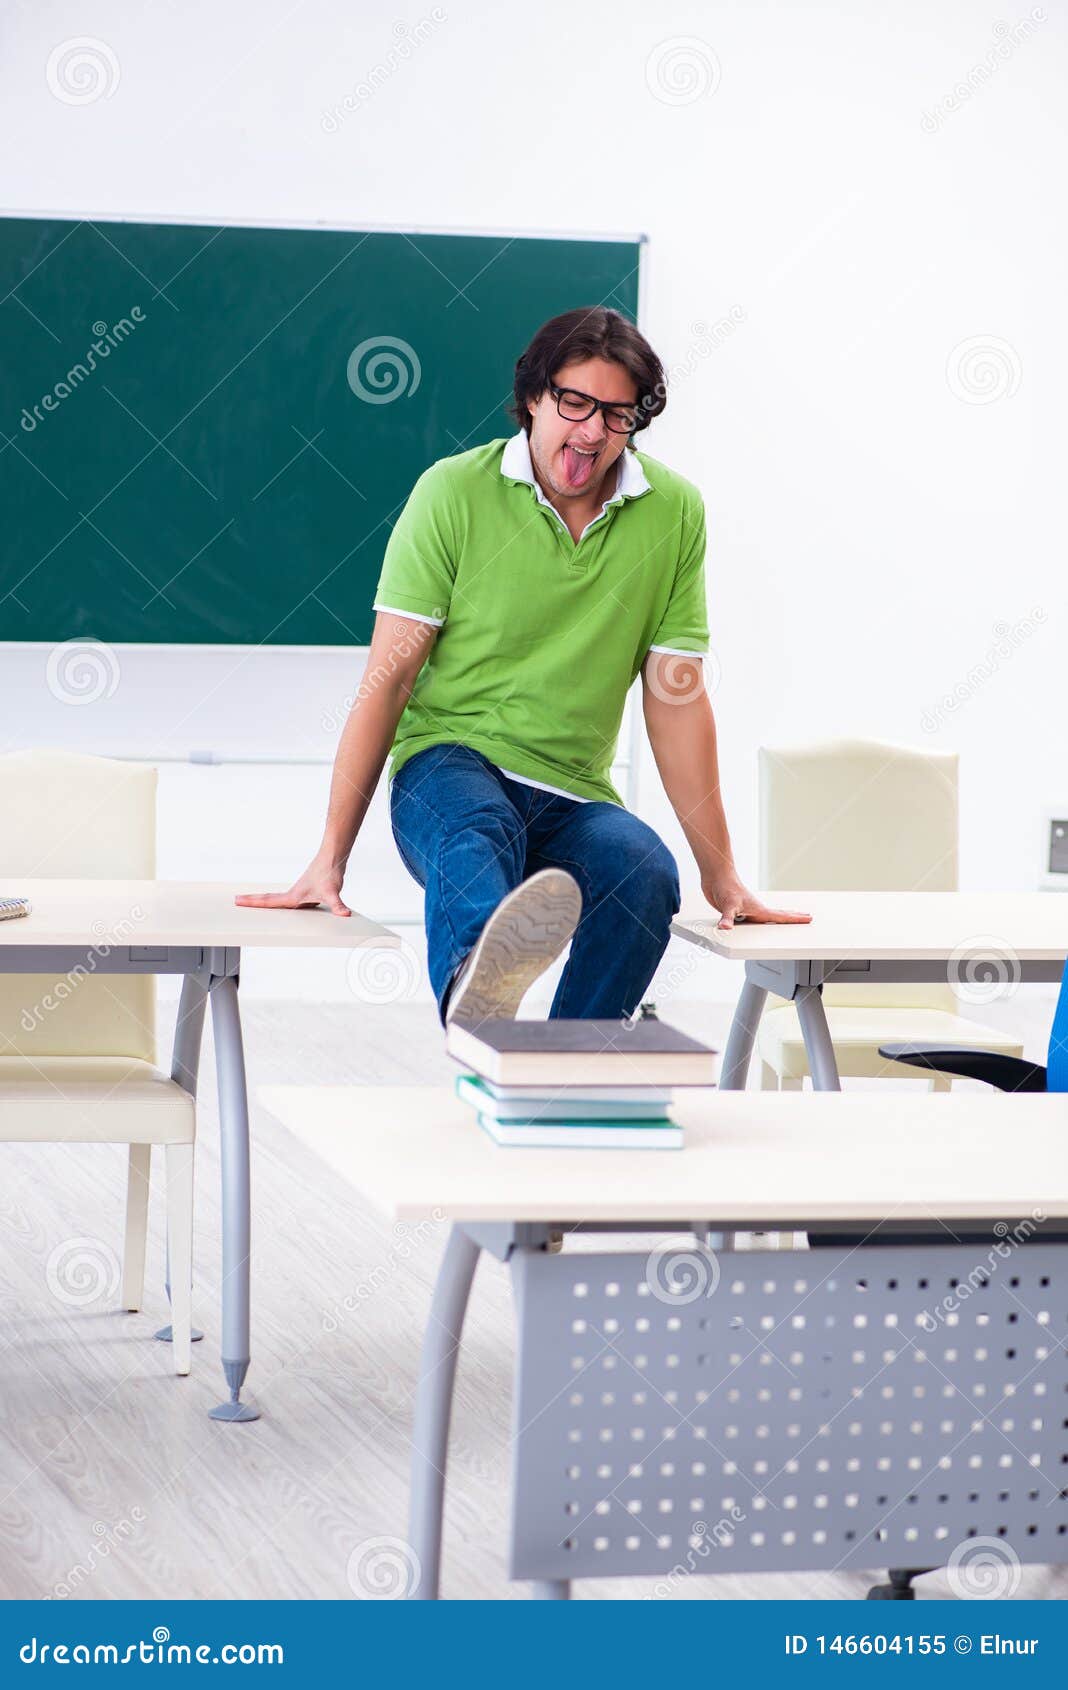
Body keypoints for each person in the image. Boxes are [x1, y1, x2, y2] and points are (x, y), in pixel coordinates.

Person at [236, 307, 809, 1025]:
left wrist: (721, 876)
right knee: (478, 833)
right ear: (535, 396)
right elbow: (389, 682)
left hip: (573, 792)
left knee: (643, 871)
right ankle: (484, 1009)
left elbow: (676, 700)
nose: (594, 431)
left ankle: (567, 1063)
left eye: (618, 414)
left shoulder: (674, 513)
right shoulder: (452, 493)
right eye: (575, 403)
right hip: (448, 766)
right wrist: (330, 855)